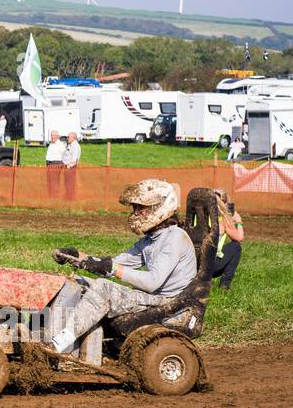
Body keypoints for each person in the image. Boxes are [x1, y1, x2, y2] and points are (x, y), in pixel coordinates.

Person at [47, 180, 196, 353]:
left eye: (141, 208)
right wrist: (78, 256)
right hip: (151, 298)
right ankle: (47, 332)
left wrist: (114, 269)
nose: (135, 214)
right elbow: (117, 262)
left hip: (168, 302)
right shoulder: (150, 240)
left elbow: (152, 282)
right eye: (134, 209)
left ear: (159, 208)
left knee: (104, 287)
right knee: (79, 282)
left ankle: (57, 344)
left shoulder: (175, 238)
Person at [206, 191, 244, 289]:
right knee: (236, 246)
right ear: (223, 204)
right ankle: (224, 285)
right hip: (209, 267)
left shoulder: (197, 216)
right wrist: (238, 221)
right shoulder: (223, 220)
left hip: (192, 266)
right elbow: (240, 237)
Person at [44, 129, 65, 198]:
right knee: (50, 180)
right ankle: (50, 195)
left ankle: (55, 195)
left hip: (56, 163)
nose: (52, 137)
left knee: (54, 181)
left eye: (54, 136)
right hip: (49, 164)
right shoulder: (51, 144)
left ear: (58, 136)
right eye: (51, 136)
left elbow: (64, 154)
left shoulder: (60, 145)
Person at [62, 131, 82, 200]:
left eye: (68, 137)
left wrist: (68, 167)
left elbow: (74, 159)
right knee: (67, 183)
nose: (67, 138)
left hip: (70, 168)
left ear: (73, 138)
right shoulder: (70, 145)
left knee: (70, 183)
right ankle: (67, 196)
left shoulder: (75, 146)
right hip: (67, 167)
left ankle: (70, 197)